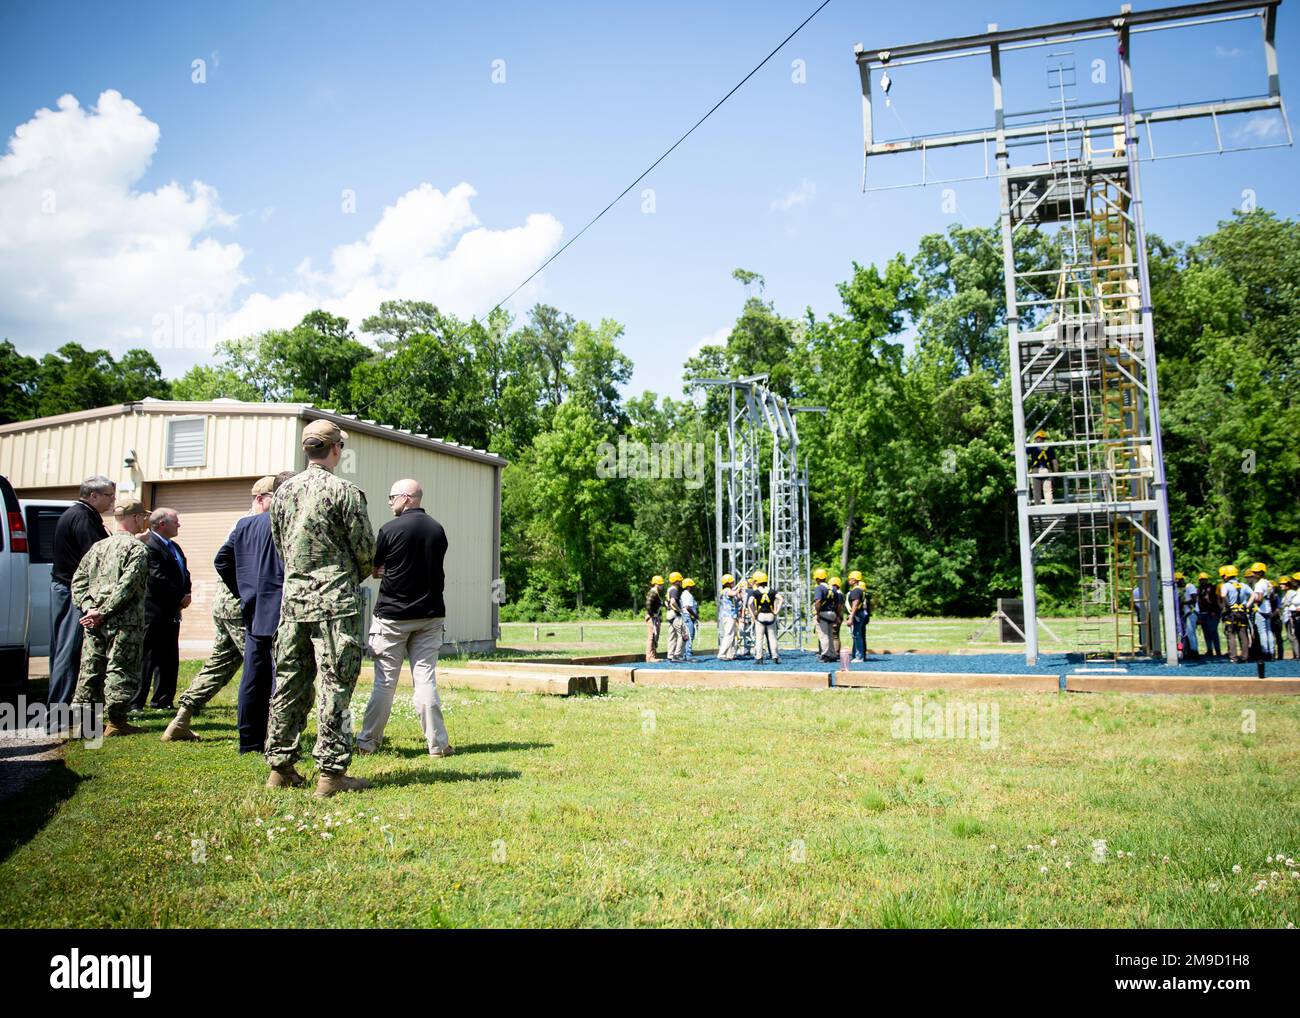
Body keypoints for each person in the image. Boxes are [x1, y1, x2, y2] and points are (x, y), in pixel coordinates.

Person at [265, 420, 375, 796]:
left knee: (289, 682)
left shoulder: (281, 494)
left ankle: (280, 767)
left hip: (293, 601)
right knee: (335, 683)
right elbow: (365, 549)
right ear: (335, 450)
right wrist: (349, 576)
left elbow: (281, 547)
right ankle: (330, 773)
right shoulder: (345, 491)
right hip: (334, 602)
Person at [356, 479, 452, 758]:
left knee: (385, 682)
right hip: (430, 615)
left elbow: (375, 567)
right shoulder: (438, 529)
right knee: (425, 680)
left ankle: (367, 743)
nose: (389, 502)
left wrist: (380, 571)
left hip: (393, 617)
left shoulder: (389, 529)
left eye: (392, 497)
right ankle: (438, 745)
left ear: (407, 498)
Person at [69, 497, 151, 738]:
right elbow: (128, 586)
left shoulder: (97, 547)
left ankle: (84, 725)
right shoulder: (137, 549)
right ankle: (116, 722)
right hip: (123, 622)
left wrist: (89, 608)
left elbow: (78, 581)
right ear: (135, 518)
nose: (143, 521)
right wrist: (102, 612)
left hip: (94, 621)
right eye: (142, 517)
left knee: (90, 669)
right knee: (120, 669)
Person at [47, 475, 113, 711]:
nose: (112, 500)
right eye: (109, 495)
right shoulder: (83, 517)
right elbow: (98, 556)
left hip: (65, 589)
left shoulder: (80, 514)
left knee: (62, 650)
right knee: (69, 650)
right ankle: (58, 713)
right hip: (72, 592)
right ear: (93, 495)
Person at [131, 508, 191, 712]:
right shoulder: (150, 546)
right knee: (147, 657)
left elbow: (184, 571)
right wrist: (179, 596)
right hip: (153, 610)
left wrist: (186, 592)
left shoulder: (174, 547)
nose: (179, 525)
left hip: (171, 611)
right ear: (162, 524)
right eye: (175, 521)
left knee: (168, 656)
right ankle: (136, 702)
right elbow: (156, 577)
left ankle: (163, 700)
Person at [748, 571, 783, 665]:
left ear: (758, 581)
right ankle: (775, 657)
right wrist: (777, 611)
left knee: (759, 639)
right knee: (773, 638)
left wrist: (753, 614)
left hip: (760, 616)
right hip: (771, 616)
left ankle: (759, 658)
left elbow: (749, 603)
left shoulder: (755, 592)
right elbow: (781, 599)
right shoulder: (772, 590)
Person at [1221, 565, 1252, 663]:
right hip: (1242, 612)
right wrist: (1247, 605)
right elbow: (1253, 595)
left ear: (1227, 575)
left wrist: (1228, 606)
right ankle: (1245, 657)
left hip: (1231, 613)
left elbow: (1223, 595)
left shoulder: (1226, 586)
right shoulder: (1244, 585)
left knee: (1231, 634)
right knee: (1243, 634)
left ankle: (1233, 657)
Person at [1244, 562, 1275, 660]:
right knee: (1269, 631)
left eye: (1256, 572)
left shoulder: (1259, 584)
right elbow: (1272, 596)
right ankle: (1272, 652)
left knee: (1262, 632)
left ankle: (1265, 652)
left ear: (1261, 573)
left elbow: (1259, 597)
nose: (1254, 574)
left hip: (1261, 610)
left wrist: (1255, 604)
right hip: (1268, 608)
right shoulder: (1268, 582)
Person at [1027, 430, 1059, 505]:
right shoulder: (1048, 448)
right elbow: (1054, 461)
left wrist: (1009, 454)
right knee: (1048, 491)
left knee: (1036, 491)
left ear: (1036, 438)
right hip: (1046, 470)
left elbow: (1021, 452)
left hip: (1036, 470)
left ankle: (1038, 508)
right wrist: (1056, 473)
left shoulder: (1032, 447)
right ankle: (1049, 508)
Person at [1196, 572, 1221, 659]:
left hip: (1212, 613)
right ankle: (1209, 650)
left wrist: (1214, 610)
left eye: (1204, 579)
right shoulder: (1199, 589)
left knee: (1213, 631)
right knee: (1206, 632)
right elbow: (1198, 602)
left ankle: (1218, 650)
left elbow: (1215, 600)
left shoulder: (1212, 588)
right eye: (1201, 580)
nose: (1202, 581)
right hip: (1203, 613)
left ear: (1207, 579)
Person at [812, 567, 834, 661]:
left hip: (823, 613)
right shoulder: (832, 588)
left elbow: (818, 601)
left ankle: (825, 655)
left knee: (823, 635)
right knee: (830, 636)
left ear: (817, 579)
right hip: (832, 613)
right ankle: (832, 654)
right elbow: (838, 603)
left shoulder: (819, 588)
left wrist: (817, 613)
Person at [1175, 572, 1199, 659]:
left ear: (1181, 580)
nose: (1177, 585)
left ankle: (1194, 652)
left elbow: (1194, 599)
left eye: (1177, 582)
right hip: (1185, 614)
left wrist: (1183, 603)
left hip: (1191, 613)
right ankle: (1186, 651)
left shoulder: (1190, 587)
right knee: (1183, 634)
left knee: (1190, 633)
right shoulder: (1180, 590)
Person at [716, 574, 739, 661]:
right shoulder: (726, 590)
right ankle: (721, 654)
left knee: (732, 635)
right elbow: (733, 593)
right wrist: (739, 588)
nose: (733, 582)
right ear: (728, 583)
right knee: (729, 635)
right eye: (732, 581)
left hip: (731, 615)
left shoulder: (727, 590)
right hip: (728, 616)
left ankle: (730, 654)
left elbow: (736, 597)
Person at [846, 570, 867, 662]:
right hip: (858, 614)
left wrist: (851, 617)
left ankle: (859, 657)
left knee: (857, 635)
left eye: (850, 579)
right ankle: (856, 655)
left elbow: (855, 605)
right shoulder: (859, 590)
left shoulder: (856, 591)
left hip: (857, 614)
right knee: (856, 635)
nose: (849, 580)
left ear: (854, 580)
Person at [665, 572, 686, 662]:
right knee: (683, 634)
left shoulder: (669, 589)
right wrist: (679, 610)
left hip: (669, 613)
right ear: (676, 581)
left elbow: (666, 602)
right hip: (675, 614)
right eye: (680, 581)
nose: (681, 582)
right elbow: (673, 601)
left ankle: (670, 655)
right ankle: (677, 655)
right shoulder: (675, 590)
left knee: (672, 635)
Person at [644, 575, 664, 663]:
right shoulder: (653, 592)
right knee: (651, 637)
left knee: (655, 637)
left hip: (655, 618)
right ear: (656, 584)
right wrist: (653, 615)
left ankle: (653, 655)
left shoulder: (657, 593)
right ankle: (650, 657)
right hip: (652, 618)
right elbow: (648, 605)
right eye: (661, 584)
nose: (662, 586)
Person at [680, 578, 698, 661]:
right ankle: (688, 655)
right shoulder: (688, 595)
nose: (693, 587)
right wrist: (695, 615)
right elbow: (688, 607)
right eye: (692, 586)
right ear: (689, 586)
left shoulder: (683, 594)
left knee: (686, 636)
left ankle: (685, 654)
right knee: (690, 635)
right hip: (688, 616)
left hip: (685, 616)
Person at [829, 576, 846, 657]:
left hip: (837, 615)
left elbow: (838, 606)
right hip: (839, 615)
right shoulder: (840, 593)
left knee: (834, 636)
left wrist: (837, 616)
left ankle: (836, 653)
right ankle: (836, 652)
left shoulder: (838, 593)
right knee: (835, 635)